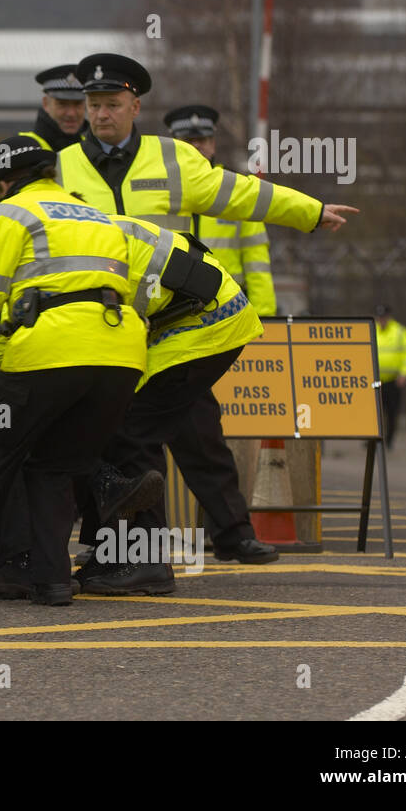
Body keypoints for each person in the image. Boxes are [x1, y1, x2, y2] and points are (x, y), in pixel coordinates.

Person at [0, 137, 162, 606]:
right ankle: (53, 582)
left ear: (3, 184)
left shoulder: (9, 215)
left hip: (49, 354)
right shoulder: (99, 218)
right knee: (56, 467)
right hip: (119, 357)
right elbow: (143, 296)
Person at [75, 215, 277, 597]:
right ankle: (115, 552)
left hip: (201, 327)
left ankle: (148, 562)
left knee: (131, 436)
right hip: (187, 322)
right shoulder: (83, 236)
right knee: (150, 432)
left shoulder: (84, 254)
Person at [56, 53, 357, 237]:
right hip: (94, 322)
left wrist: (310, 211)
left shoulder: (172, 157)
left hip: (165, 321)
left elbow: (244, 194)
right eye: (94, 105)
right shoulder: (60, 167)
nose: (101, 114)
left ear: (135, 107)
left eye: (112, 105)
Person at [165, 104, 276, 315]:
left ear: (213, 144)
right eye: (188, 141)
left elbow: (257, 263)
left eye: (203, 140)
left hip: (229, 308)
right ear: (173, 145)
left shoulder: (236, 190)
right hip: (170, 311)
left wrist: (265, 316)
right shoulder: (157, 189)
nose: (197, 146)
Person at [0, 63, 89, 221]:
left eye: (78, 104)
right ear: (46, 104)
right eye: (62, 104)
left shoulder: (91, 151)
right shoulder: (15, 153)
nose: (71, 113)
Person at [375, 304, 406, 448]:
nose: (382, 320)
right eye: (379, 317)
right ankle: (373, 439)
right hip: (374, 380)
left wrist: (404, 374)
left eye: (384, 317)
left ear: (389, 317)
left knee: (392, 411)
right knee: (374, 412)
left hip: (393, 380)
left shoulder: (399, 331)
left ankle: (389, 440)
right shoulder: (371, 329)